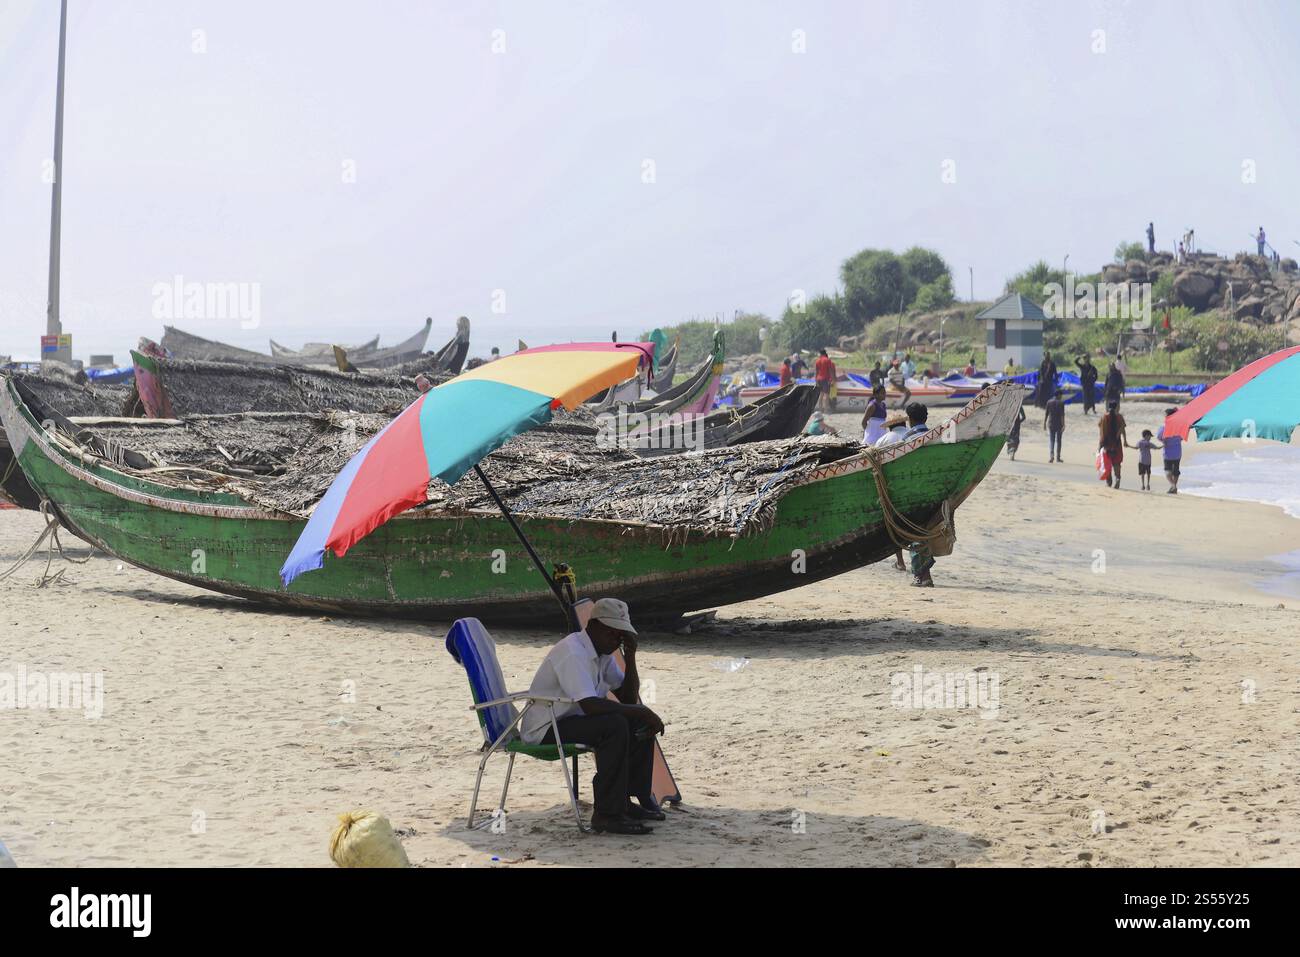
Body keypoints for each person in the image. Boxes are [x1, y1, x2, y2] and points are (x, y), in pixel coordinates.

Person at [520, 598, 666, 835]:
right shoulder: (573, 652)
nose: (617, 639)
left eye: (621, 635)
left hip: (571, 720)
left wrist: (630, 656)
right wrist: (642, 710)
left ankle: (625, 801)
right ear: (594, 626)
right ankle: (607, 815)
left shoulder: (603, 652)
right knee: (615, 725)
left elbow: (627, 698)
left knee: (634, 720)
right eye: (613, 633)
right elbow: (590, 706)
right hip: (547, 728)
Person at [1098, 400, 1128, 489]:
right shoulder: (1120, 417)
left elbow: (1101, 431)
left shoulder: (1104, 417)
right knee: (1116, 462)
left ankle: (1109, 481)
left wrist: (1100, 444)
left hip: (1106, 443)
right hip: (1117, 443)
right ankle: (1117, 478)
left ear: (1108, 406)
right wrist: (1125, 440)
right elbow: (1123, 429)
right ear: (1117, 407)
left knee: (1107, 463)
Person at [1156, 407, 1182, 494]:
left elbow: (1159, 437)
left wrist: (1164, 440)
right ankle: (1174, 486)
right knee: (1176, 471)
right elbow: (1182, 437)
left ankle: (1173, 485)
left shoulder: (1164, 427)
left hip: (1168, 452)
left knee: (1168, 470)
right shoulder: (1178, 426)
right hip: (1177, 452)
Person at [1043, 388, 1066, 462]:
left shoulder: (1049, 402)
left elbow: (1046, 414)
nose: (1061, 396)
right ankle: (1058, 457)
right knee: (1059, 441)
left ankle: (1051, 456)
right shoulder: (1061, 403)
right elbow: (1062, 415)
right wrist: (1063, 425)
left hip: (1051, 423)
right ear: (1058, 395)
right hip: (1059, 424)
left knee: (1052, 440)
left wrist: (1044, 423)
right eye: (1061, 395)